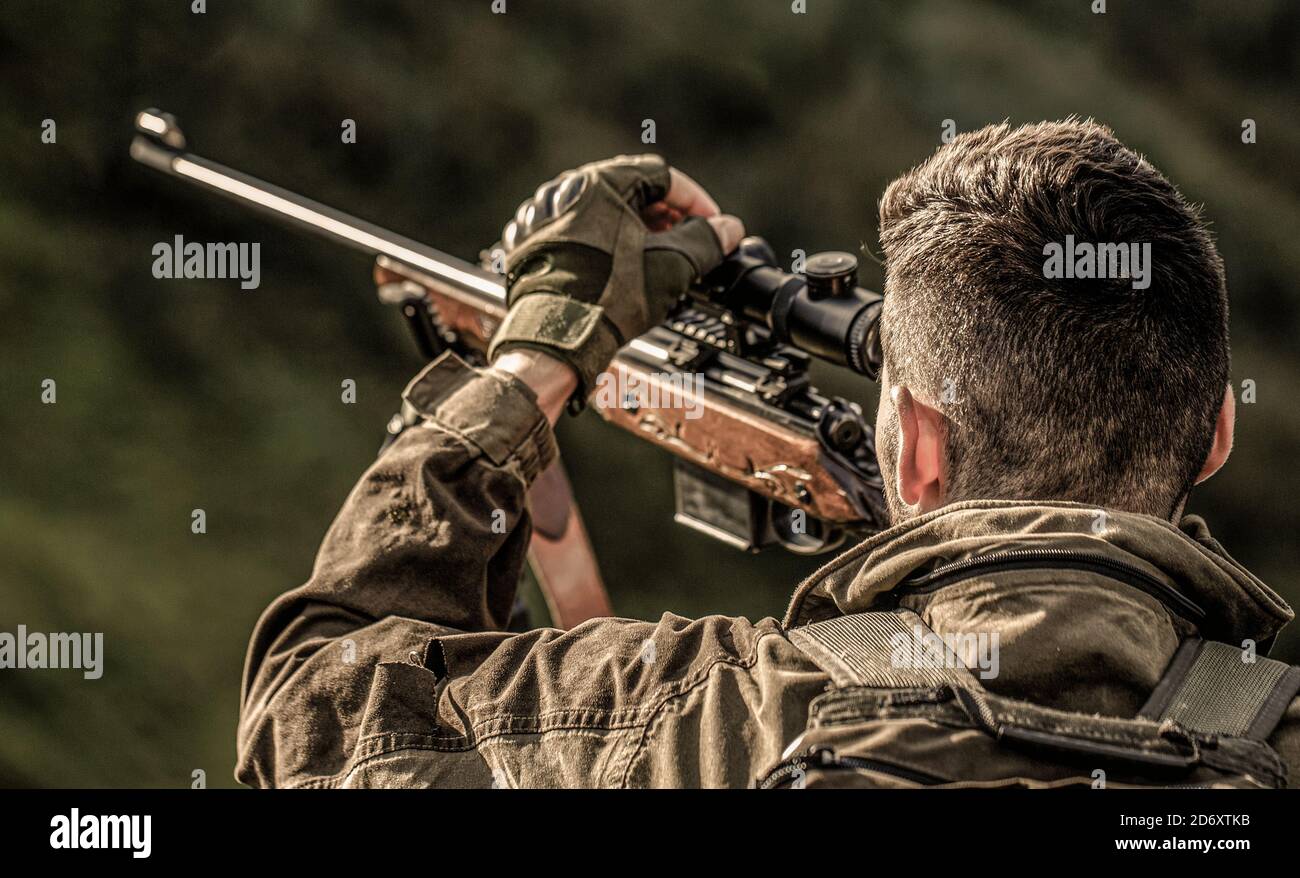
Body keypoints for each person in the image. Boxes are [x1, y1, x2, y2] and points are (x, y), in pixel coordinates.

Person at [236, 121, 1299, 788]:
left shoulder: (697, 716)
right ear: (1215, 431)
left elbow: (311, 713)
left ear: (915, 448)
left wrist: (523, 374)